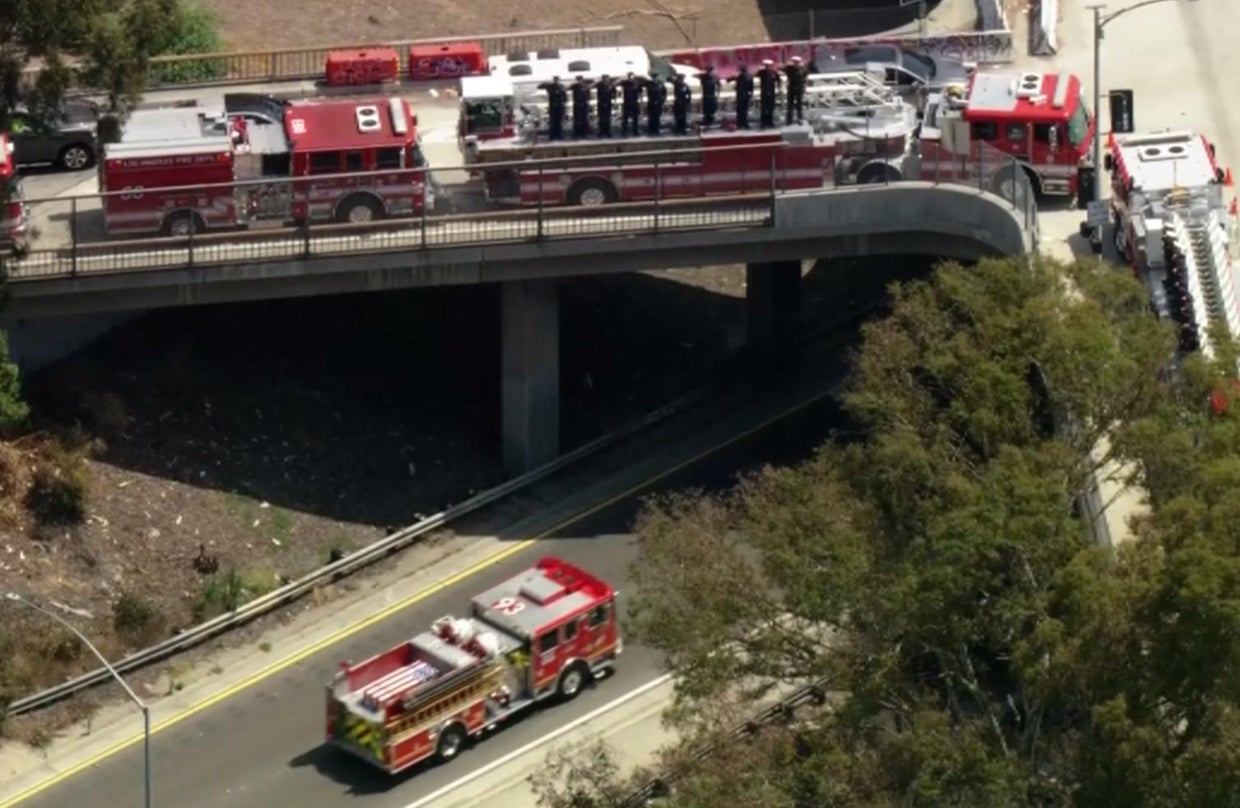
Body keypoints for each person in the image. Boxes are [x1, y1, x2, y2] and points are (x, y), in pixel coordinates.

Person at [539, 76, 568, 140]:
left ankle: (559, 135)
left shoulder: (562, 86)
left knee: (559, 121)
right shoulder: (550, 86)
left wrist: (564, 103)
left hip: (560, 106)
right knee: (552, 122)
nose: (556, 81)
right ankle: (552, 136)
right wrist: (547, 83)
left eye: (557, 80)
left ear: (559, 80)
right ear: (554, 80)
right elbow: (539, 86)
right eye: (555, 80)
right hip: (552, 106)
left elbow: (565, 96)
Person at [756, 59, 781, 129]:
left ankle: (769, 121)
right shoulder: (762, 72)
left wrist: (778, 88)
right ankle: (763, 122)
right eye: (766, 66)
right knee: (764, 108)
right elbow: (756, 74)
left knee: (770, 108)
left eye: (769, 66)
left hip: (771, 92)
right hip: (764, 92)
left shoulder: (774, 72)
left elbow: (778, 80)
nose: (767, 67)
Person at [783, 55, 808, 126]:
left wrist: (805, 88)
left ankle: (799, 118)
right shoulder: (789, 69)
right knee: (790, 105)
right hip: (791, 88)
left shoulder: (803, 69)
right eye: (794, 62)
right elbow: (783, 68)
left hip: (799, 89)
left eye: (797, 62)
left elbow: (805, 80)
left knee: (799, 105)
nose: (796, 64)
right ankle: (789, 119)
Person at [729, 63, 754, 130]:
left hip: (741, 95)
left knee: (741, 110)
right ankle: (744, 123)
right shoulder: (749, 76)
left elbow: (751, 87)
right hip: (745, 95)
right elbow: (751, 87)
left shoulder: (741, 76)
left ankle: (741, 123)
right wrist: (751, 94)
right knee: (744, 110)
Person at [620, 72, 643, 137]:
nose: (631, 78)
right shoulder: (625, 83)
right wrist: (623, 78)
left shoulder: (637, 83)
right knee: (625, 118)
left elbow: (640, 93)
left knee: (635, 118)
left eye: (632, 77)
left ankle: (635, 131)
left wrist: (641, 102)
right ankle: (624, 132)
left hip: (634, 102)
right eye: (629, 77)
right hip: (627, 102)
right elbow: (617, 83)